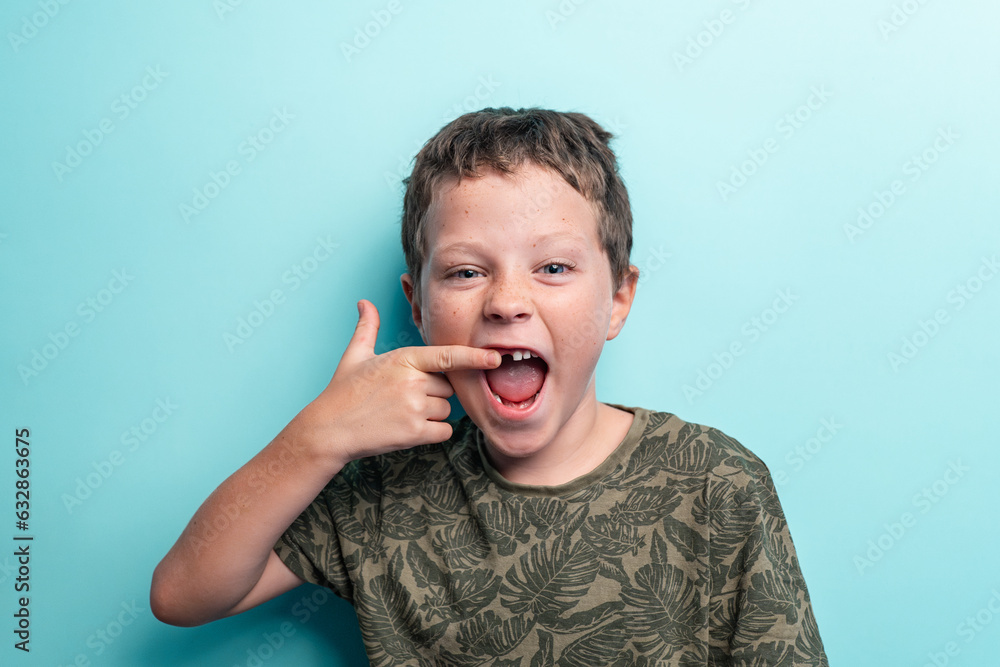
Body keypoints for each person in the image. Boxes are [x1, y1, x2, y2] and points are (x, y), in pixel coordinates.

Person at [151, 107, 829, 665]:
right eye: (466, 272)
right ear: (418, 307)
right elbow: (183, 593)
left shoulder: (715, 482)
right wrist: (318, 438)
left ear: (618, 300)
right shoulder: (382, 489)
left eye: (553, 267)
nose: (506, 302)